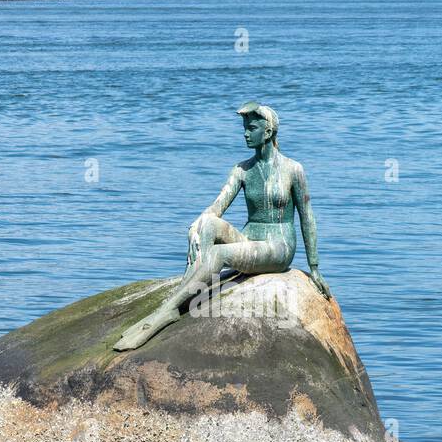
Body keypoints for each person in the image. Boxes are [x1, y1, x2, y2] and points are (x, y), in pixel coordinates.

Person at [114, 102, 330, 352]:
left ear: (268, 132)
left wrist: (314, 267)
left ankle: (168, 309)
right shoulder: (242, 169)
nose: (245, 133)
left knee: (219, 254)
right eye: (244, 128)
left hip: (278, 246)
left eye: (251, 128)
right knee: (208, 226)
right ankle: (190, 292)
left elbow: (307, 217)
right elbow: (218, 206)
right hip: (250, 240)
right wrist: (196, 226)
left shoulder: (293, 169)